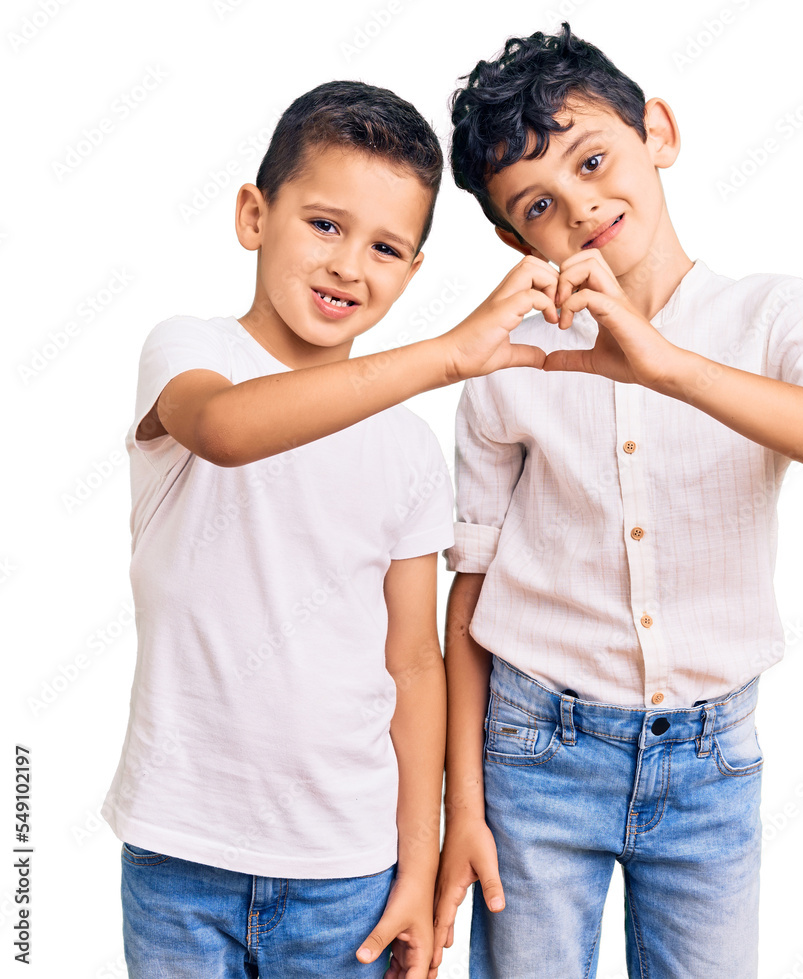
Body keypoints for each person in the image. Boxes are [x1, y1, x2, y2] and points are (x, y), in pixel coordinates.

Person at [431, 24, 803, 979]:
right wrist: (464, 811)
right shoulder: (510, 360)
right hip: (535, 749)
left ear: (660, 132)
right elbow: (470, 595)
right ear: (512, 236)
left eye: (595, 159)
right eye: (540, 204)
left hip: (711, 766)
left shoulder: (769, 312)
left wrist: (666, 366)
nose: (583, 206)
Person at [101, 79, 560, 979]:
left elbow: (414, 664)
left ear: (413, 272)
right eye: (324, 225)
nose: (350, 265)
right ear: (253, 215)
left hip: (346, 873)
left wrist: (419, 867)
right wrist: (447, 355)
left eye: (386, 246)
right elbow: (229, 431)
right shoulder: (190, 353)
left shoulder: (407, 450)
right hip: (179, 855)